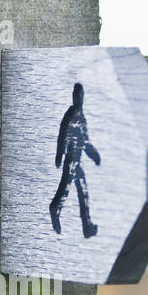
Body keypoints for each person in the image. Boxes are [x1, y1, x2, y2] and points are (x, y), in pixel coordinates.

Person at [51, 82, 100, 238]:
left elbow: (84, 141)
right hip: (71, 160)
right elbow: (63, 136)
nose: (80, 98)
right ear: (74, 97)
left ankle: (87, 225)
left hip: (77, 161)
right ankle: (55, 208)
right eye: (78, 95)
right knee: (65, 189)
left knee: (83, 191)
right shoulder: (72, 115)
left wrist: (94, 155)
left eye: (81, 95)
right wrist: (59, 155)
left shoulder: (81, 116)